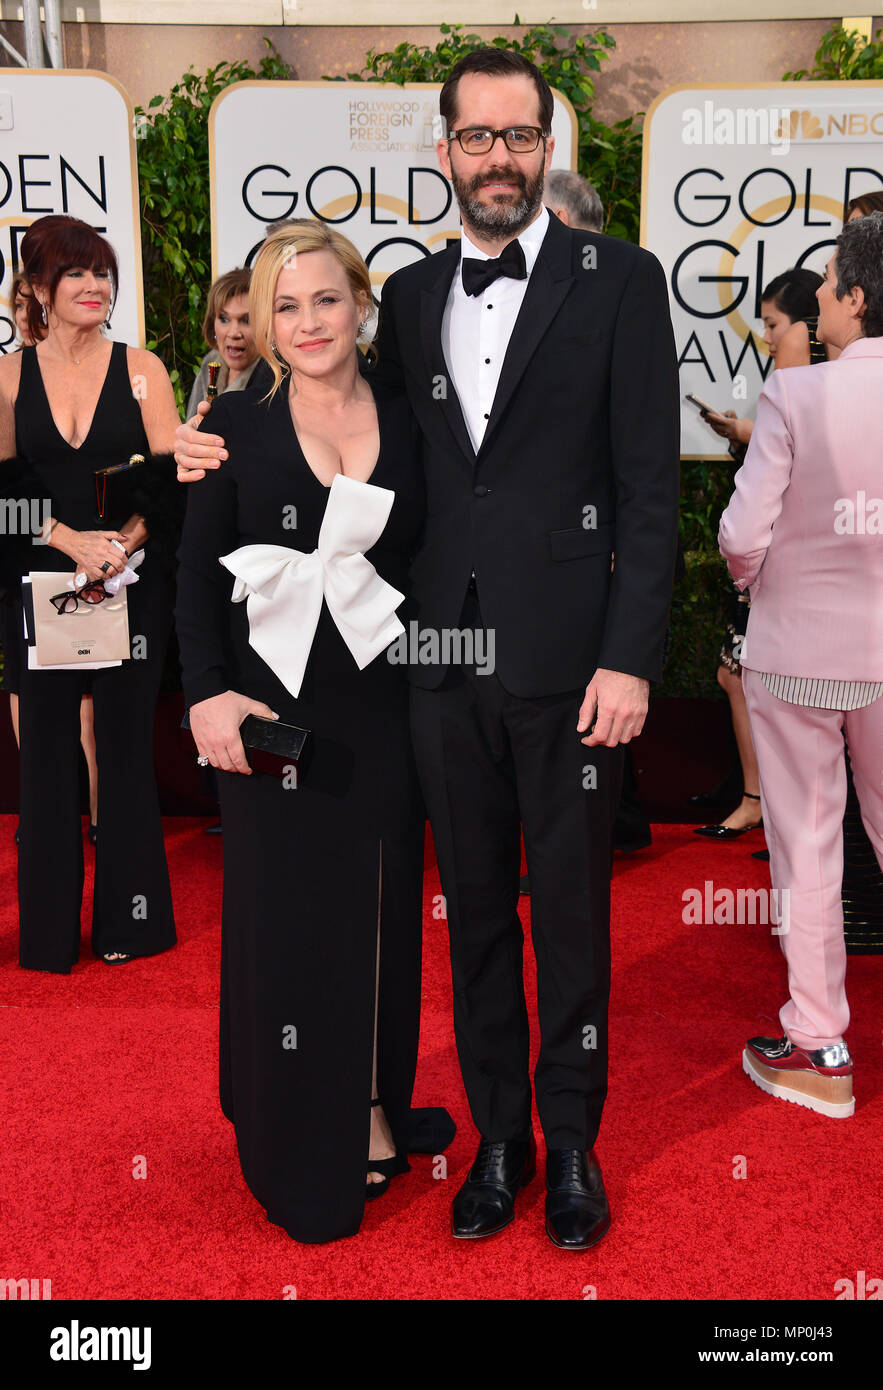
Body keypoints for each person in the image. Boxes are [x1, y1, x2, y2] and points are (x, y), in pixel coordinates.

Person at [174, 48, 680, 1250]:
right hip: (434, 664)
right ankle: (496, 1137)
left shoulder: (621, 279)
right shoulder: (403, 296)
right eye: (475, 137)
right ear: (444, 150)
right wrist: (206, 440)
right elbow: (332, 415)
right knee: (475, 920)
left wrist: (630, 657)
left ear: (546, 145)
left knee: (566, 911)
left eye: (518, 136)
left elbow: (648, 492)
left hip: (566, 664)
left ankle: (572, 1147)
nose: (496, 157)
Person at [174, 221, 426, 1242]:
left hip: (386, 701)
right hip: (267, 712)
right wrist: (205, 696)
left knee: (377, 916)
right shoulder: (232, 419)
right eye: (285, 305)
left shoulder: (412, 418)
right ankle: (285, 1124)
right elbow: (195, 577)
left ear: (360, 304)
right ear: (263, 323)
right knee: (286, 929)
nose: (307, 320)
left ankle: (367, 1101)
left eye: (324, 299)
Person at [719, 212, 883, 1118]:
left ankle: (819, 1049)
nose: (815, 294)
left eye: (825, 282)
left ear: (854, 300)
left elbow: (742, 534)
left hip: (796, 655)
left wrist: (762, 586)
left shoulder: (796, 395)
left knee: (809, 848)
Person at [0, 214, 181, 970]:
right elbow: (0, 494)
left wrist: (119, 549)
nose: (94, 286)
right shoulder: (8, 376)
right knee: (43, 757)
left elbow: (174, 488)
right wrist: (67, 541)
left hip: (129, 588)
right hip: (39, 587)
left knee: (125, 751)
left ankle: (129, 927)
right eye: (76, 273)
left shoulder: (143, 369)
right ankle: (45, 938)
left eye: (102, 272)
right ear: (40, 285)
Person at [694, 269, 829, 843]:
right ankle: (767, 807)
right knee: (740, 677)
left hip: (788, 581)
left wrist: (747, 567)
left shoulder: (814, 392)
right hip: (775, 578)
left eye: (774, 325)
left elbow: (761, 517)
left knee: (760, 685)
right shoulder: (804, 390)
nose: (768, 340)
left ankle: (774, 811)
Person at [186, 268, 258, 417]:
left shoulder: (274, 379)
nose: (233, 333)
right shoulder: (211, 362)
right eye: (224, 319)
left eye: (247, 320)